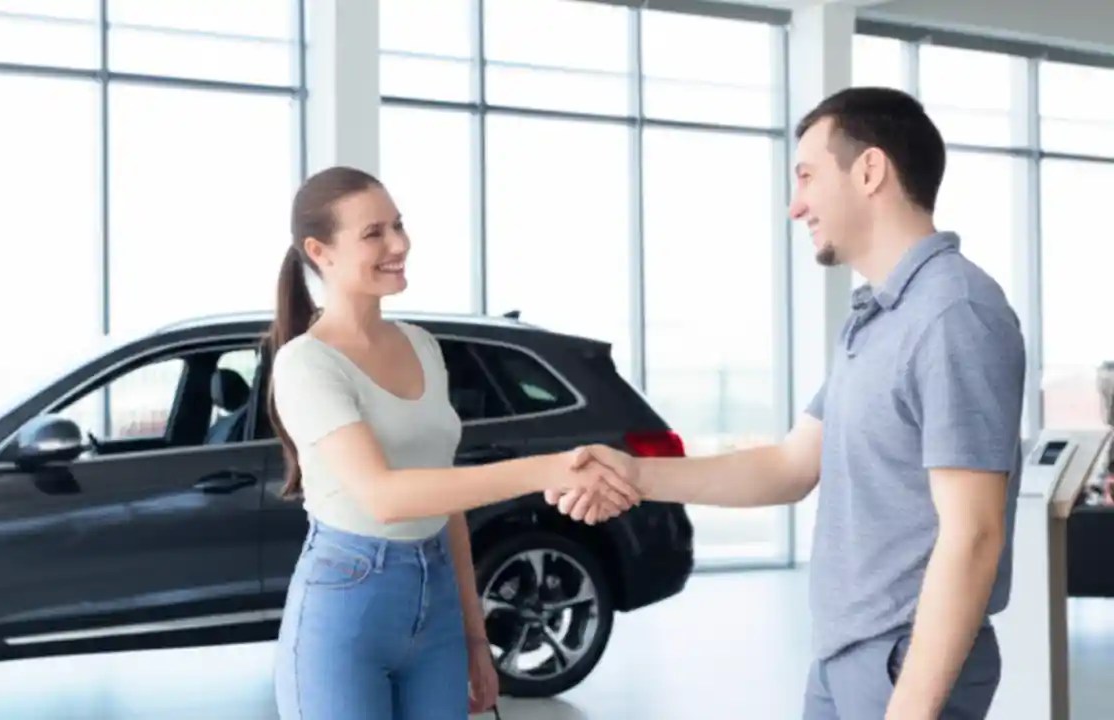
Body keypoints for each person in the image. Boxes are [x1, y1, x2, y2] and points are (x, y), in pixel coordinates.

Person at [555, 87, 1026, 719]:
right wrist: (637, 475)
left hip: (906, 666)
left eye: (807, 176)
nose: (795, 204)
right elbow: (791, 465)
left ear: (869, 170)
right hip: (847, 657)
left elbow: (974, 533)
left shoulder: (952, 314)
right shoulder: (877, 318)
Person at [266, 165, 641, 720]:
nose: (399, 244)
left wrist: (473, 635)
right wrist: (547, 470)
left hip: (438, 598)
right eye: (374, 234)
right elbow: (385, 497)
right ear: (320, 252)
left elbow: (446, 503)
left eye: (398, 225)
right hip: (347, 604)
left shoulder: (421, 347)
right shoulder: (307, 363)